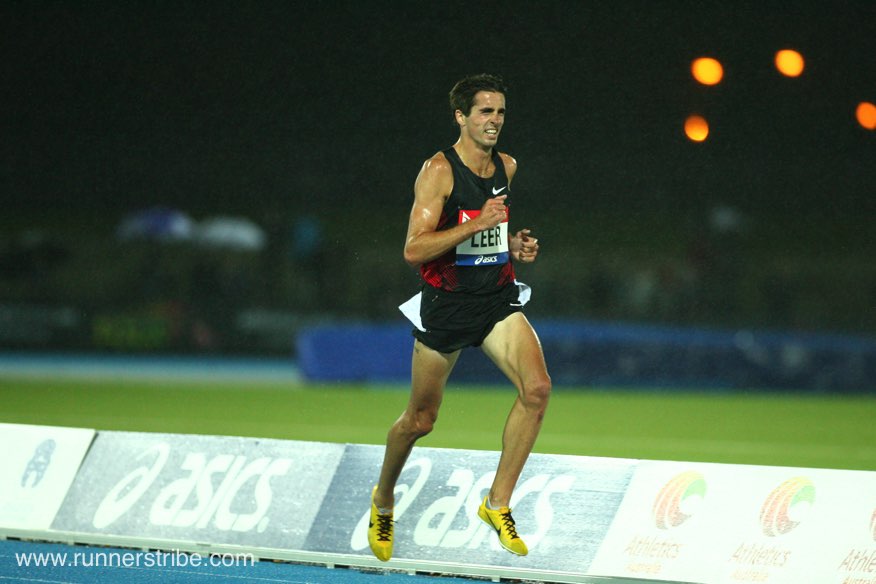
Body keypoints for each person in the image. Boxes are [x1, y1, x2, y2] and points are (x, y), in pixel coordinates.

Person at [367, 74, 551, 561]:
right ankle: (383, 498)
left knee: (536, 391)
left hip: (496, 300)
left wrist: (512, 244)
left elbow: (487, 234)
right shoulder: (438, 172)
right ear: (461, 117)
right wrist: (479, 225)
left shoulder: (506, 166)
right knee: (420, 420)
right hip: (447, 307)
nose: (495, 121)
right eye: (485, 112)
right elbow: (413, 249)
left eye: (501, 112)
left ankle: (498, 503)